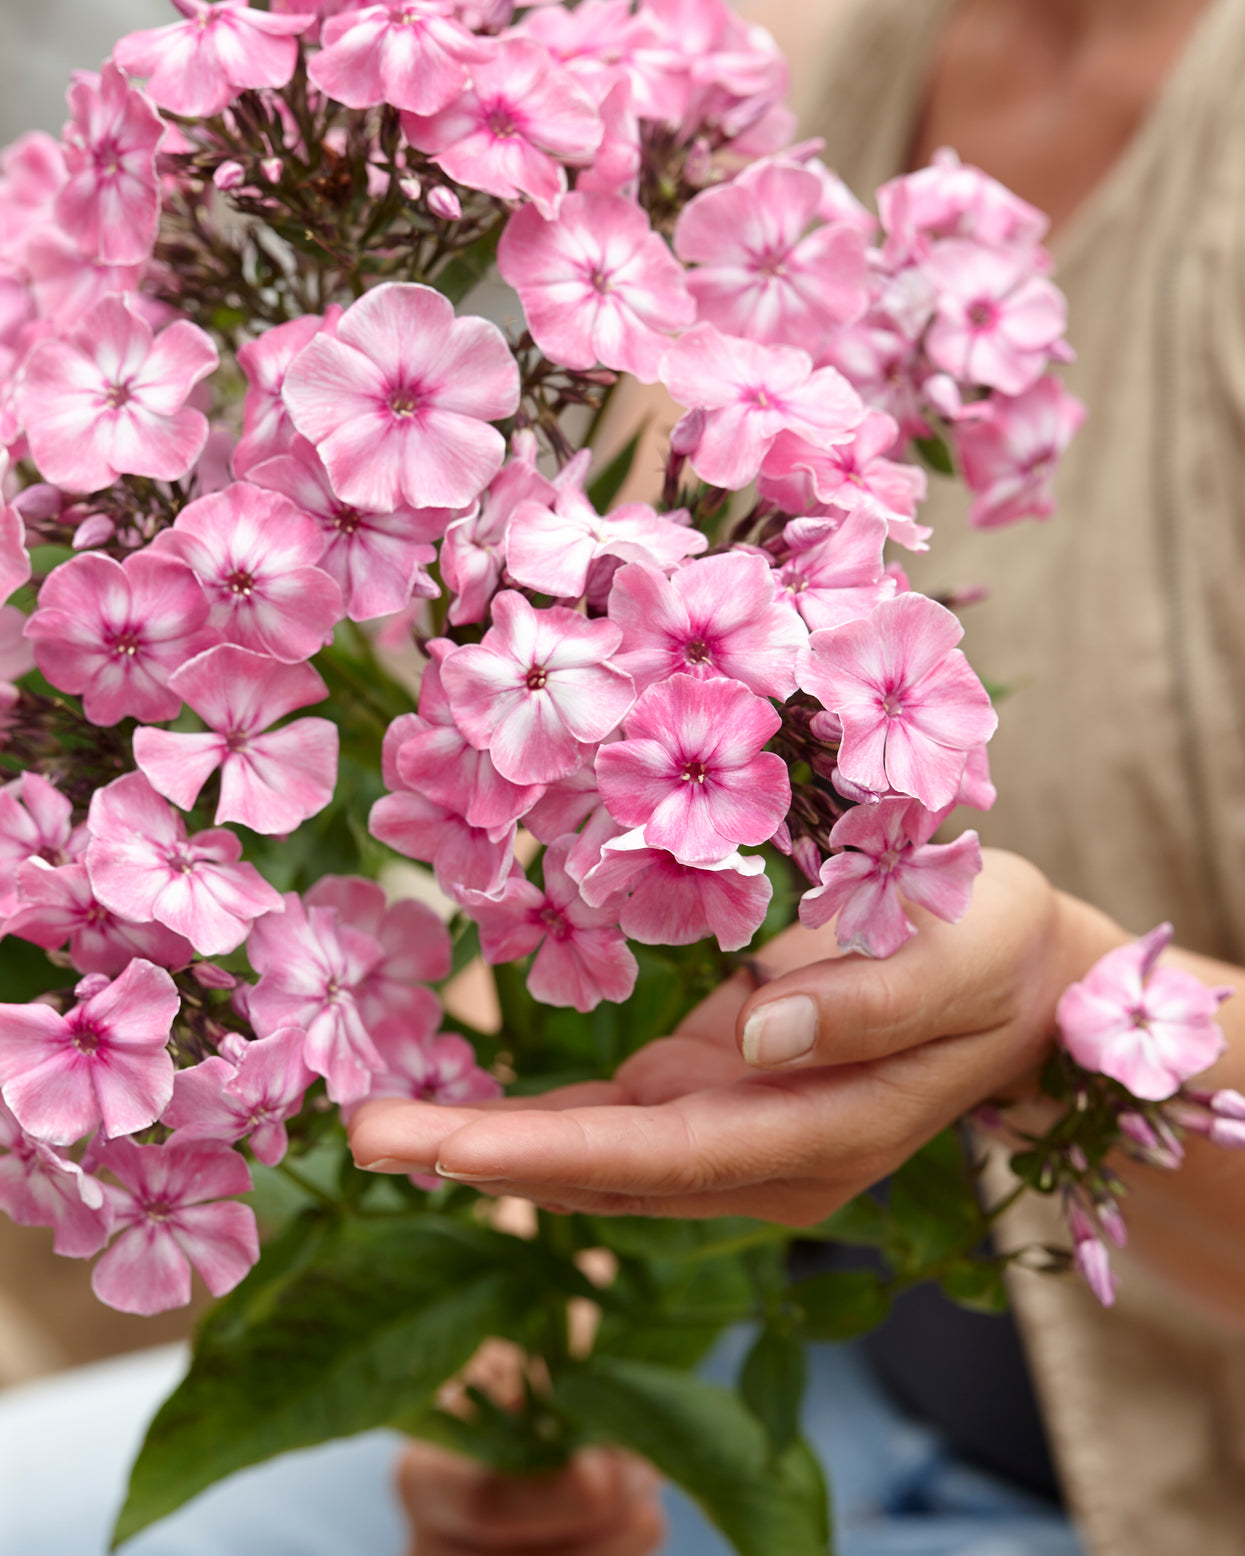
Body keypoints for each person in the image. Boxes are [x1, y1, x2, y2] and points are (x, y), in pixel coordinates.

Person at [348, 1, 1245, 1552]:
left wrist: (1059, 1012)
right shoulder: (784, 72)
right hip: (721, 1356)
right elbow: (556, 747)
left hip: (1136, 1477)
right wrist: (526, 1360)